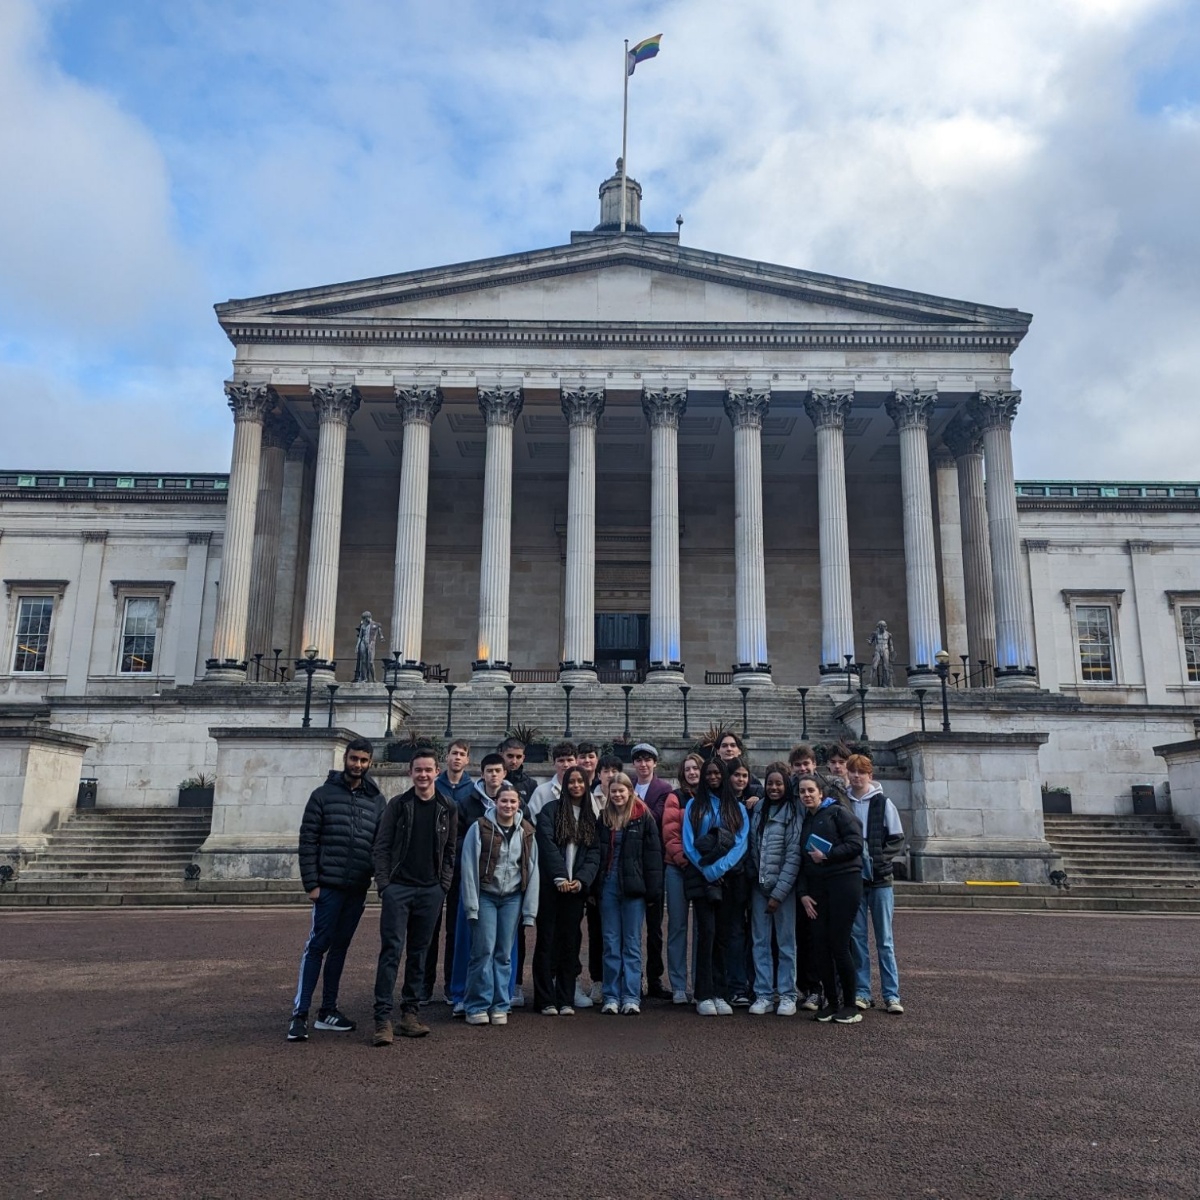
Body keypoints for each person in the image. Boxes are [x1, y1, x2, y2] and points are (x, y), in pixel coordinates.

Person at [288, 738, 384, 1042]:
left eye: (363, 760)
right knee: (317, 946)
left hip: (356, 887)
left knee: (340, 949)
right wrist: (311, 884)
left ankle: (328, 1010)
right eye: (354, 759)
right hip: (327, 886)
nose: (358, 765)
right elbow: (307, 841)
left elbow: (380, 845)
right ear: (346, 758)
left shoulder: (376, 800)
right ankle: (299, 1014)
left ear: (370, 763)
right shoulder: (322, 795)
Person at [371, 749, 458, 1045]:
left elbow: (450, 851)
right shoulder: (398, 804)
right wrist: (385, 885)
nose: (423, 775)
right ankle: (382, 1018)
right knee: (391, 952)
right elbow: (381, 846)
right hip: (399, 888)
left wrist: (442, 884)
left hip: (430, 890)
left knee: (420, 954)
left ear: (437, 772)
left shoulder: (449, 806)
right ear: (411, 773)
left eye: (428, 770)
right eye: (418, 770)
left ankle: (410, 1013)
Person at [460, 780, 539, 1026]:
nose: (508, 805)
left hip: (512, 898)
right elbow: (469, 866)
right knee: (483, 951)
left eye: (513, 801)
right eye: (504, 800)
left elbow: (532, 869)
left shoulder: (527, 831)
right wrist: (471, 904)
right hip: (485, 895)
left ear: (519, 805)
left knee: (504, 954)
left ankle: (500, 1004)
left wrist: (529, 911)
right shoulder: (479, 827)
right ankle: (477, 1005)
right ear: (496, 802)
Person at [795, 772, 864, 1025]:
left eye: (810, 790)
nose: (806, 795)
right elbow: (803, 861)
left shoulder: (839, 813)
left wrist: (829, 855)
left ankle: (850, 1004)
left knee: (839, 944)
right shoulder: (807, 822)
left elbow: (856, 844)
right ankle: (832, 1003)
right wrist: (802, 893)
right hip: (818, 888)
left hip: (844, 883)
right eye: (802, 791)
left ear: (821, 792)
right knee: (821, 947)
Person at [682, 757, 749, 1016]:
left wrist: (719, 869)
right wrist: (708, 870)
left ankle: (721, 991)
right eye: (708, 773)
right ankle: (703, 993)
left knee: (723, 936)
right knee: (706, 935)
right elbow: (689, 844)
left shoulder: (737, 808)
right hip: (702, 877)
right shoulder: (693, 806)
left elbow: (742, 843)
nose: (712, 777)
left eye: (716, 773)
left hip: (728, 878)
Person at [533, 765, 601, 1014]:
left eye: (580, 782)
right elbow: (547, 845)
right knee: (546, 941)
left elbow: (594, 853)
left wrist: (581, 880)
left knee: (570, 943)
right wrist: (560, 876)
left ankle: (565, 998)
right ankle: (545, 999)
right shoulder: (550, 811)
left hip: (575, 890)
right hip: (552, 888)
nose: (576, 786)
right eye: (571, 782)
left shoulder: (589, 817)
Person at [445, 753, 510, 1015]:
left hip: (504, 886)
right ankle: (460, 993)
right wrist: (478, 846)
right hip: (471, 882)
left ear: (504, 774)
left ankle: (498, 995)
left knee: (503, 946)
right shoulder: (465, 802)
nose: (494, 775)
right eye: (489, 770)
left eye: (498, 770)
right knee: (466, 941)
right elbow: (454, 840)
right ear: (482, 773)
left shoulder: (513, 802)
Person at [594, 772, 663, 1015]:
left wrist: (654, 890)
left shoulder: (643, 817)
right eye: (613, 791)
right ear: (609, 793)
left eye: (621, 790)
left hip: (634, 886)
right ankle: (611, 995)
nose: (618, 795)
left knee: (632, 943)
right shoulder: (603, 818)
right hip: (609, 884)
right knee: (611, 942)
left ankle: (631, 995)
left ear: (629, 791)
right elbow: (597, 853)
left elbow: (653, 856)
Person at [846, 753, 906, 1015]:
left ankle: (891, 995)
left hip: (881, 879)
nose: (856, 776)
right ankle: (862, 991)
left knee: (885, 940)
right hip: (855, 878)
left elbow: (897, 837)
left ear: (870, 775)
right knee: (858, 939)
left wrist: (879, 858)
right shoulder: (843, 800)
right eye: (853, 771)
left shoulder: (883, 802)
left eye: (861, 772)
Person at [747, 763, 803, 1016]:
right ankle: (764, 994)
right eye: (770, 783)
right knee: (759, 942)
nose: (774, 788)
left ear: (786, 785)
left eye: (779, 783)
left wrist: (779, 892)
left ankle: (788, 994)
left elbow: (793, 855)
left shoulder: (793, 811)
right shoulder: (758, 808)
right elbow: (753, 846)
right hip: (759, 886)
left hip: (784, 889)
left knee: (785, 943)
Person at [422, 739, 474, 1003]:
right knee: (429, 927)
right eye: (454, 753)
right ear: (446, 758)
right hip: (432, 865)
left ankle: (452, 984)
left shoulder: (473, 790)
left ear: (467, 760)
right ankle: (423, 985)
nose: (457, 758)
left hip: (459, 867)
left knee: (456, 928)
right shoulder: (433, 784)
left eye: (462, 754)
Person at [630, 742, 673, 1000]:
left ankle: (655, 977)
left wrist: (632, 802)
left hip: (654, 862)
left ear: (655, 763)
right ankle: (635, 977)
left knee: (655, 926)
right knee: (632, 925)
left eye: (648, 760)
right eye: (639, 760)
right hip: (631, 863)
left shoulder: (664, 789)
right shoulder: (628, 786)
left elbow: (657, 818)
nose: (643, 764)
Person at [662, 752, 705, 1004]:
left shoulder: (711, 798)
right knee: (677, 927)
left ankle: (700, 983)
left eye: (696, 768)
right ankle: (678, 985)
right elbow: (670, 834)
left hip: (703, 870)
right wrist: (685, 861)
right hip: (678, 869)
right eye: (688, 769)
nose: (692, 772)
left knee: (702, 929)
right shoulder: (674, 797)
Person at [724, 755, 756, 1006]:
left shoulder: (757, 800)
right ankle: (736, 985)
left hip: (751, 875)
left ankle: (754, 983)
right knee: (734, 931)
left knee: (751, 932)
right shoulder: (721, 802)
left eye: (744, 776)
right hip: (730, 875)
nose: (741, 780)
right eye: (737, 775)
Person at [527, 741, 577, 820]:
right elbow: (532, 820)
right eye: (561, 761)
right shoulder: (541, 791)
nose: (566, 765)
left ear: (576, 762)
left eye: (570, 760)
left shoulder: (584, 790)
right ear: (554, 763)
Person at [499, 737, 539, 807]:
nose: (514, 761)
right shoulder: (494, 781)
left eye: (518, 757)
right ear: (501, 755)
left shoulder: (531, 784)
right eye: (510, 756)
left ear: (523, 758)